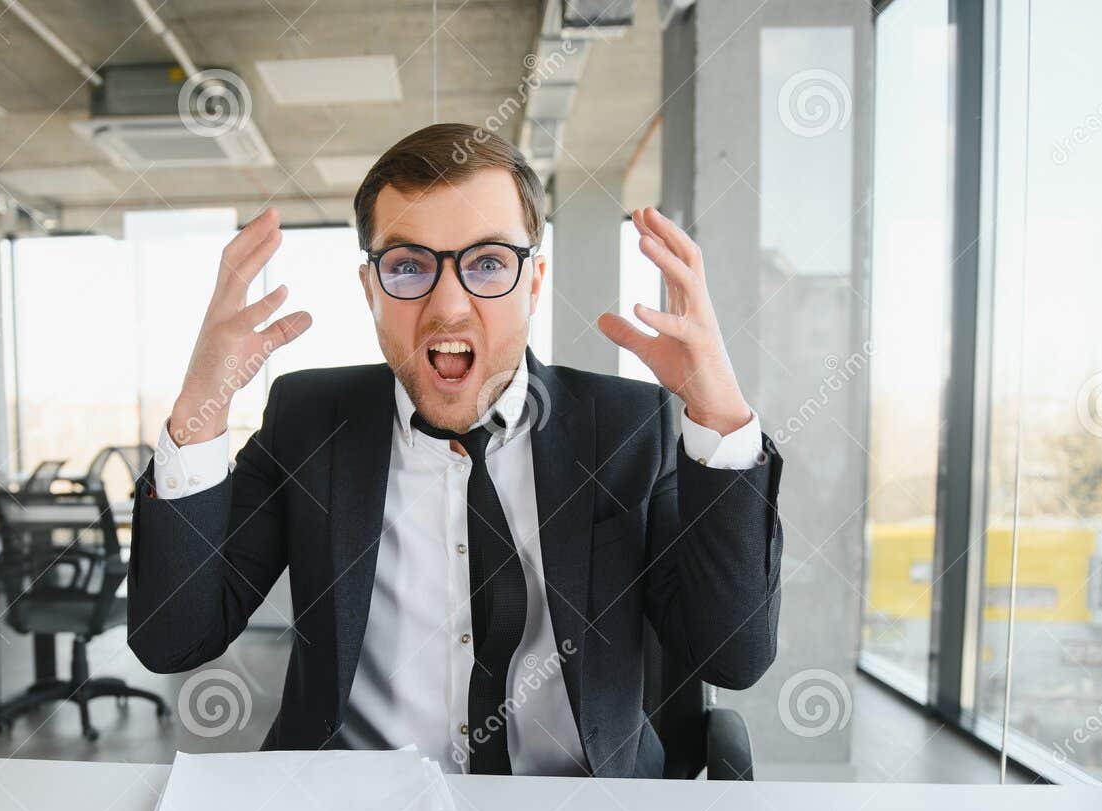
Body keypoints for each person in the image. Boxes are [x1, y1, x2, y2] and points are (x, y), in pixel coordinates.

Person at [127, 123, 782, 778]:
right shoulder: (309, 420)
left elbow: (732, 656)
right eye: (408, 266)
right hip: (351, 806)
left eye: (488, 263)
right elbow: (173, 639)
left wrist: (719, 413)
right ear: (370, 289)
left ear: (534, 282)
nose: (448, 306)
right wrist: (201, 405)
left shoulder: (625, 426)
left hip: (581, 807)